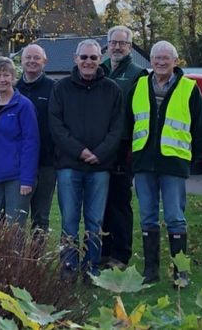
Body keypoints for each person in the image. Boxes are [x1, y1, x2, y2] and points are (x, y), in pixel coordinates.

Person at [127, 41, 202, 287]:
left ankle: (180, 273)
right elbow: (128, 122)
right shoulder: (139, 85)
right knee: (148, 218)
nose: (161, 62)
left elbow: (200, 128)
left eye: (165, 58)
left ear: (175, 61)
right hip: (143, 163)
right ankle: (150, 271)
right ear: (150, 61)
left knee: (175, 218)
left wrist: (190, 161)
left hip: (174, 164)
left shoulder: (188, 88)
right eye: (156, 58)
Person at [49, 39, 123, 281]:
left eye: (93, 57)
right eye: (84, 57)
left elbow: (117, 127)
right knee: (69, 220)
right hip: (69, 165)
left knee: (94, 221)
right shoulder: (61, 89)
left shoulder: (112, 89)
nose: (88, 62)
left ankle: (92, 268)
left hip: (100, 167)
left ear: (99, 59)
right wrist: (80, 151)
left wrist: (99, 153)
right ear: (75, 59)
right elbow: (56, 126)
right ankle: (69, 266)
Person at [100, 25, 148, 270]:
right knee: (101, 202)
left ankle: (121, 254)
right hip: (99, 146)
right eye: (113, 42)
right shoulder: (101, 69)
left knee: (119, 202)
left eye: (122, 43)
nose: (117, 47)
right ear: (107, 44)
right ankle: (103, 252)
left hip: (123, 146)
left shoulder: (138, 74)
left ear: (130, 46)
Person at [0, 57, 39, 225]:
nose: (2, 79)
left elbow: (31, 143)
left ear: (13, 77)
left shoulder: (24, 105)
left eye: (6, 75)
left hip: (16, 177)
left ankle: (13, 254)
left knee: (14, 229)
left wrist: (27, 179)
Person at [15, 44, 57, 238]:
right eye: (28, 57)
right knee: (17, 216)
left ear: (44, 62)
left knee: (41, 216)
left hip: (46, 163)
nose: (32, 61)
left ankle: (35, 262)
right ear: (21, 61)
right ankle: (15, 261)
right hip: (19, 164)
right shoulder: (13, 89)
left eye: (36, 58)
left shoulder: (54, 88)